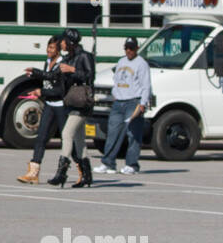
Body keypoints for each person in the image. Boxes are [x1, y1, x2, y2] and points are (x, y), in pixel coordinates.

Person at [94, 37, 151, 175]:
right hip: (118, 102)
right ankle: (108, 163)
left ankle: (132, 165)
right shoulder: (121, 61)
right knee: (112, 133)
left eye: (131, 48)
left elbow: (146, 85)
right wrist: (115, 94)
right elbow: (116, 80)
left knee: (133, 134)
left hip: (133, 101)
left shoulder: (141, 64)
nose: (129, 51)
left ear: (137, 48)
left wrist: (143, 103)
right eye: (126, 48)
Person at [48, 28, 94, 188]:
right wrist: (37, 74)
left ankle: (61, 173)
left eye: (63, 41)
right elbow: (55, 77)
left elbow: (90, 76)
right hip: (72, 101)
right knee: (79, 139)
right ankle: (87, 176)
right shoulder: (68, 58)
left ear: (69, 42)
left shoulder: (84, 56)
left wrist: (73, 70)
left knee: (67, 133)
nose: (61, 44)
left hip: (82, 103)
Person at [17, 35, 64, 183]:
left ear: (58, 50)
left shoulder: (62, 64)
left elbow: (60, 90)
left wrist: (41, 92)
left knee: (68, 140)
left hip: (62, 106)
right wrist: (39, 93)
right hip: (50, 104)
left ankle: (82, 168)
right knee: (41, 138)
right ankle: (33, 172)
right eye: (48, 47)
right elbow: (47, 80)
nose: (48, 51)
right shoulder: (48, 62)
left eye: (51, 48)